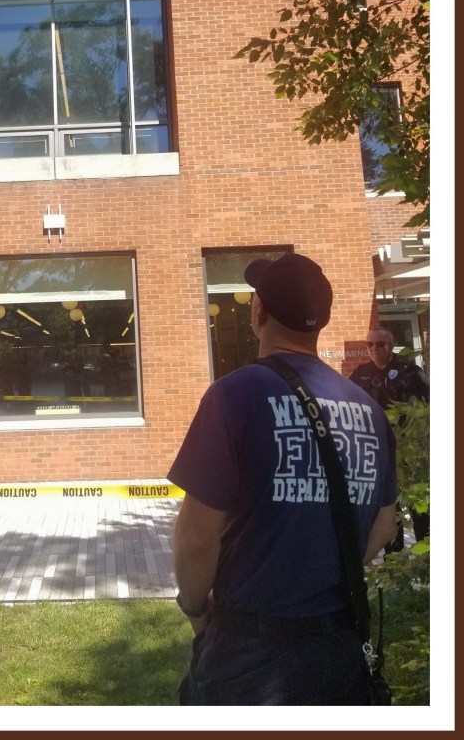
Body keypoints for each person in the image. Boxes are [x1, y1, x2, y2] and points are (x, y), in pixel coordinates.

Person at [168, 253, 398, 705]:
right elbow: (385, 525)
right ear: (321, 321)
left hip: (248, 654)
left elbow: (195, 539)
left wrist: (196, 610)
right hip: (339, 647)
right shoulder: (370, 411)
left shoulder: (233, 396)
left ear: (257, 312)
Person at [349, 327, 430, 546]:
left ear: (391, 345)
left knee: (416, 503)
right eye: (369, 344)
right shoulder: (360, 374)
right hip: (377, 450)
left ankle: (426, 551)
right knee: (387, 505)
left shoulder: (409, 372)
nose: (373, 348)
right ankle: (393, 555)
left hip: (409, 450)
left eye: (380, 344)